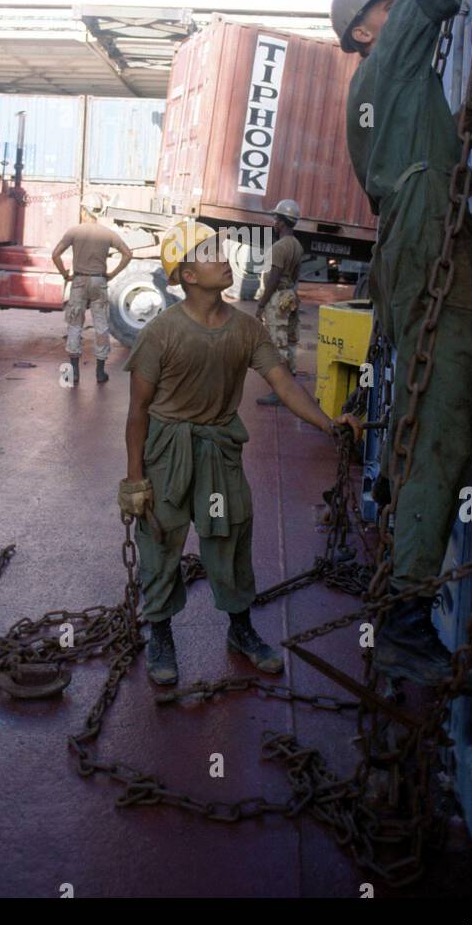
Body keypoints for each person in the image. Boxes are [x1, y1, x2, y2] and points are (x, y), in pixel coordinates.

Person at [329, 0, 472, 694]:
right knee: (443, 420)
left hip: (417, 237)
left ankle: (407, 596)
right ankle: (406, 621)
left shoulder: (383, 91)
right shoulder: (391, 58)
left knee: (453, 416)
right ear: (368, 30)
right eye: (389, 5)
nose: (407, 8)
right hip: (423, 241)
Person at [118, 220, 363, 686]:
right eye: (210, 253)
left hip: (218, 451)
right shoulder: (161, 333)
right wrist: (134, 480)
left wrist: (329, 425)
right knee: (162, 539)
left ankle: (241, 630)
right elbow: (138, 411)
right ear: (187, 275)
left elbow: (283, 382)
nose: (223, 258)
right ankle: (161, 634)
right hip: (168, 453)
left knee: (230, 537)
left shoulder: (246, 329)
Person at [52, 194, 132, 384]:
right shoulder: (107, 234)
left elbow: (55, 254)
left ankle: (75, 373)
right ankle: (100, 373)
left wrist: (65, 274)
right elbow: (128, 254)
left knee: (75, 325)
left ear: (83, 210)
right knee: (101, 326)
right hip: (99, 282)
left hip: (79, 281)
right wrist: (112, 274)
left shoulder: (74, 232)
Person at [254, 198, 305, 406]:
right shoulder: (297, 246)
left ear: (282, 222)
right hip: (290, 297)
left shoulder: (279, 247)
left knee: (277, 345)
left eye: (276, 218)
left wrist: (261, 304)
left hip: (277, 300)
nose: (274, 222)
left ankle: (280, 392)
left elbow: (273, 279)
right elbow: (295, 276)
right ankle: (290, 384)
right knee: (290, 342)